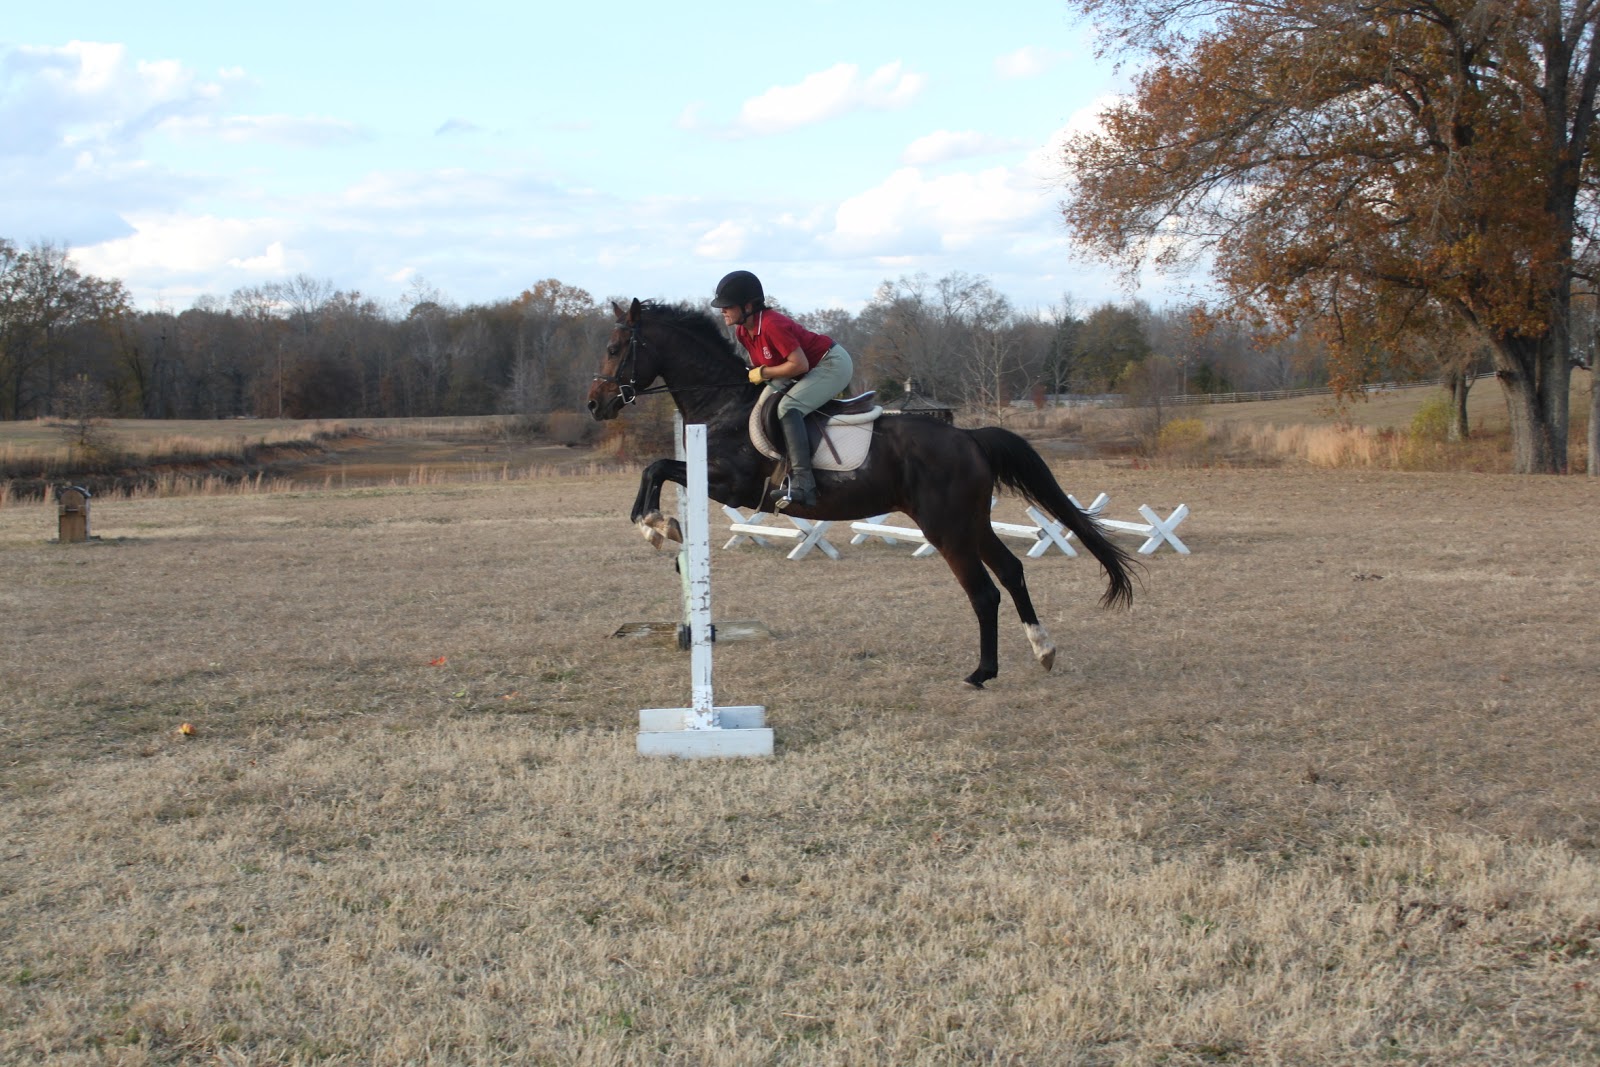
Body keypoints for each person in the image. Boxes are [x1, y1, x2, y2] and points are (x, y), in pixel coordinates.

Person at [711, 270, 854, 508]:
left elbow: (799, 365)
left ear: (747, 306)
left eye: (727, 305)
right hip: (802, 368)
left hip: (831, 364)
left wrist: (763, 373)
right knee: (760, 405)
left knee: (788, 407)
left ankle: (804, 483)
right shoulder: (742, 331)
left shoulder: (771, 325)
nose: (722, 310)